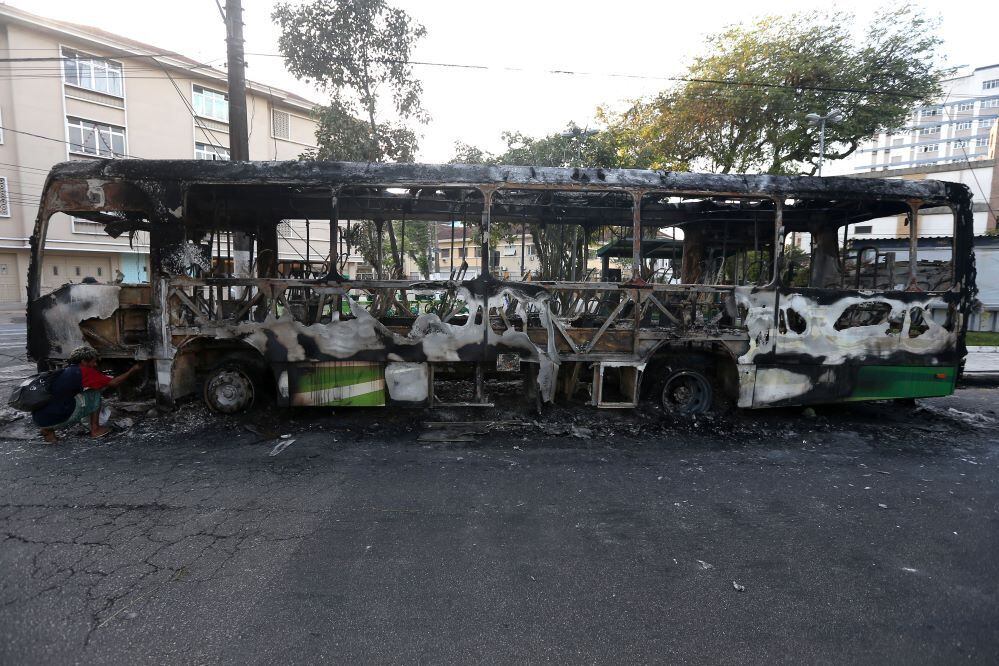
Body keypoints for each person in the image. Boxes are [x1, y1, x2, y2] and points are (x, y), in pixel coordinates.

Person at [32, 346, 144, 443]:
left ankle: (48, 431)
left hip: (40, 419)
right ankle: (95, 429)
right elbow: (114, 383)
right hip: (58, 418)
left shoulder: (65, 371)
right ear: (84, 361)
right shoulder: (84, 371)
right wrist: (132, 370)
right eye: (93, 361)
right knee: (94, 393)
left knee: (63, 399)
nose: (95, 364)